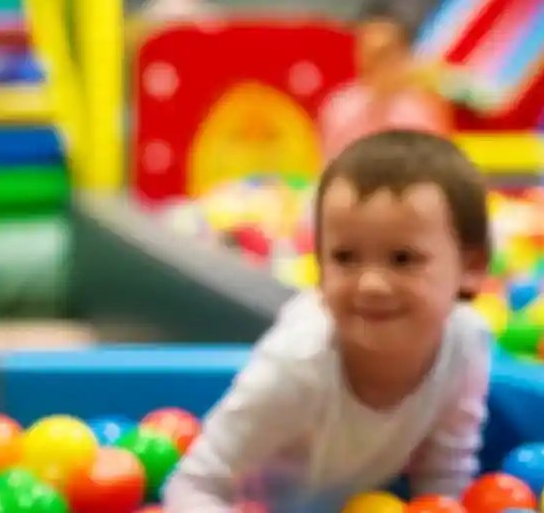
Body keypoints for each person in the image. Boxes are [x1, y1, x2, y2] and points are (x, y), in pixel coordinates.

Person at [164, 132, 492, 510]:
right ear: (320, 268)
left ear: (470, 267)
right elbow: (194, 483)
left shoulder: (466, 343)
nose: (371, 284)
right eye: (345, 258)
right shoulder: (297, 367)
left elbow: (443, 478)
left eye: (403, 259)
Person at [320, 0, 453, 160]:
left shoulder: (422, 111)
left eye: (384, 53)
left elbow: (438, 168)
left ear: (402, 52)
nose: (378, 64)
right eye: (370, 53)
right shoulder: (339, 107)